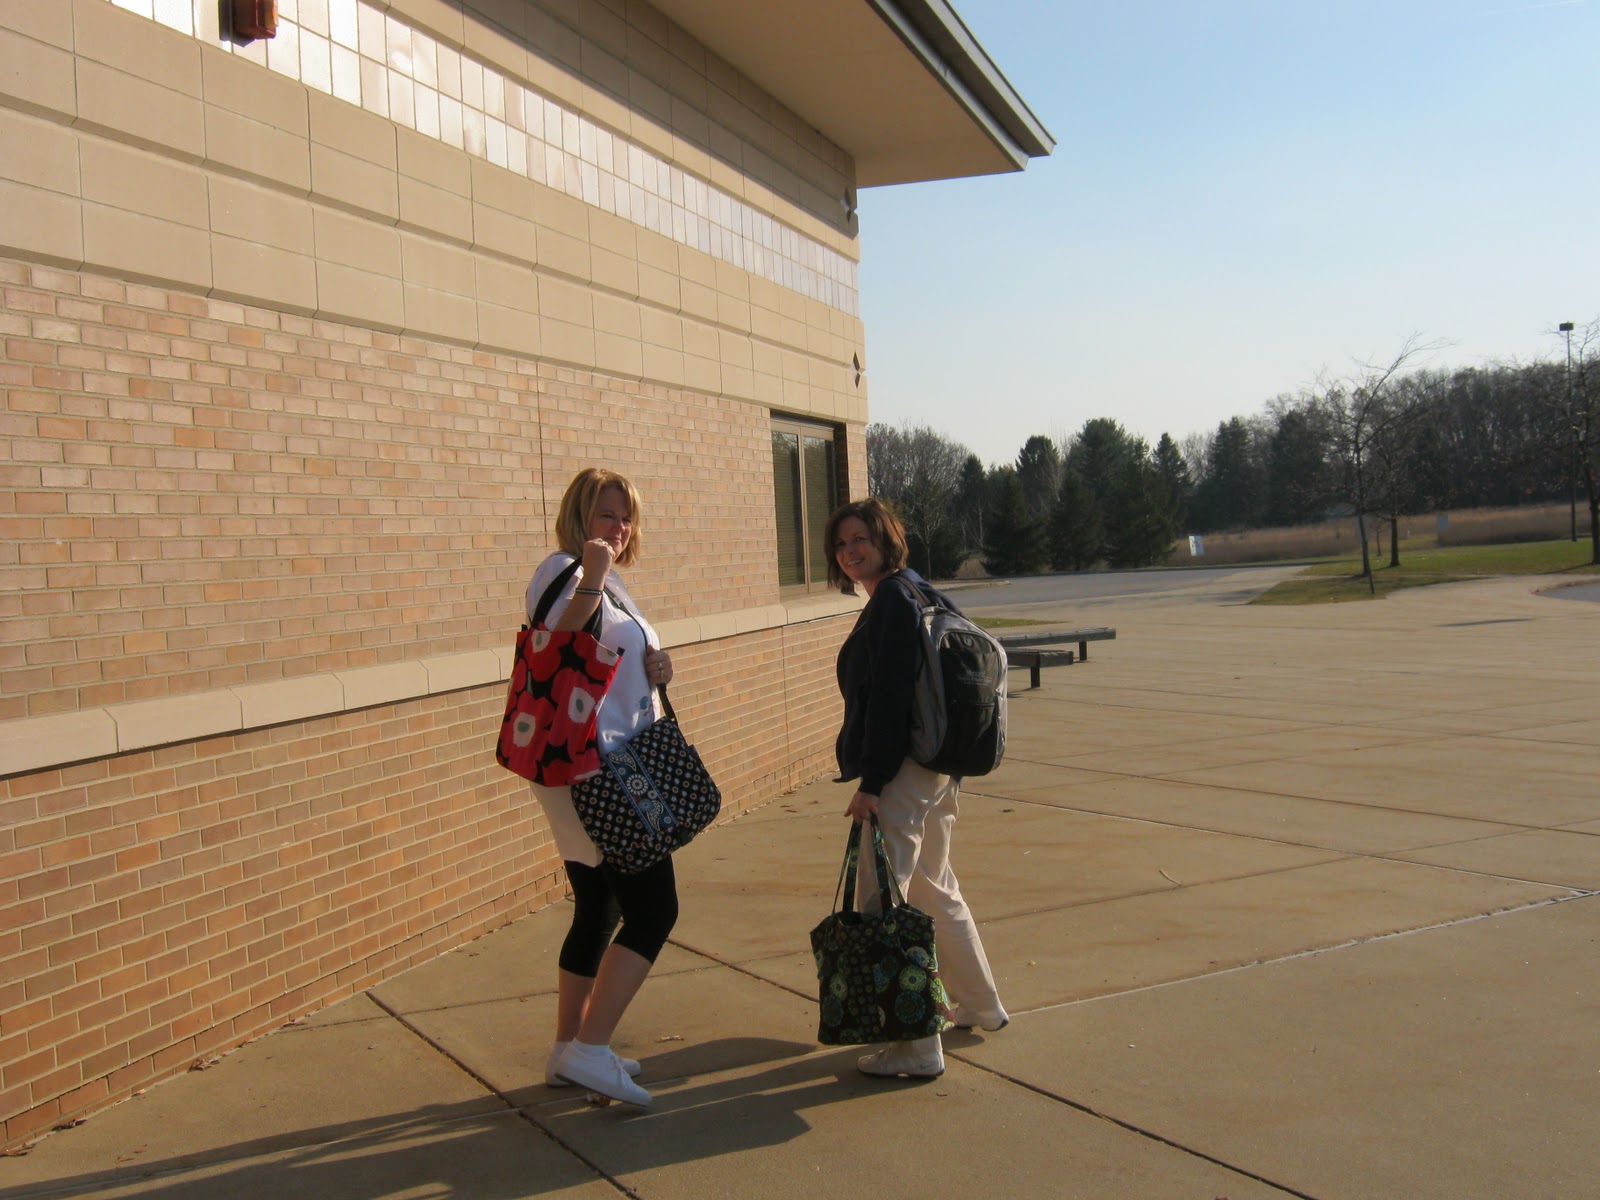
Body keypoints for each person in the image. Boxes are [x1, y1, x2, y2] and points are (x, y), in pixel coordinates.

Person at [826, 497, 1009, 1079]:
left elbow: (890, 700)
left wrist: (872, 783)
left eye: (860, 539)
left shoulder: (892, 601)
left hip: (902, 772)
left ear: (885, 539)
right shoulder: (924, 592)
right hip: (938, 769)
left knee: (882, 902)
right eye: (841, 544)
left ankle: (915, 1046)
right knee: (933, 887)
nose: (850, 551)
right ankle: (979, 1004)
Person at [525, 467, 678, 1107]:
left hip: (613, 761)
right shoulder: (561, 570)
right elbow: (556, 643)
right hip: (598, 770)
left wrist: (657, 666)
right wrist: (591, 571)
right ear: (580, 517)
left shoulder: (612, 582)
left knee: (600, 907)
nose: (619, 527)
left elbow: (613, 661)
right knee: (655, 910)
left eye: (626, 516)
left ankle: (568, 1050)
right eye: (607, 514)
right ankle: (591, 1049)